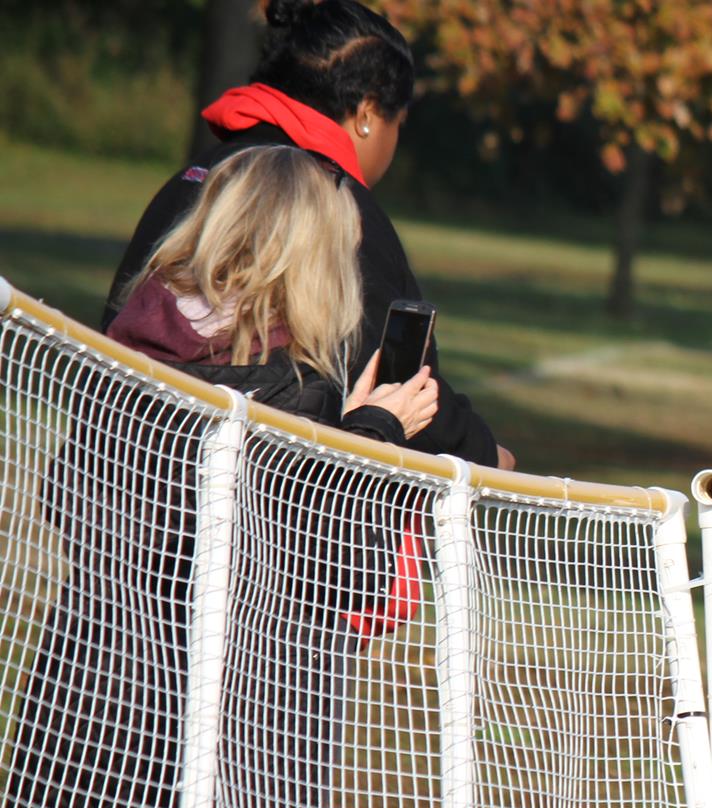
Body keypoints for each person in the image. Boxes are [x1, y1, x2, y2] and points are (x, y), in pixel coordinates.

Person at [7, 145, 437, 808]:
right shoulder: (297, 399)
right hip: (227, 738)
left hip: (104, 705)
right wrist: (373, 436)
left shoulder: (129, 344)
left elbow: (74, 498)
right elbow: (340, 569)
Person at [104, 0, 507, 471]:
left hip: (127, 488)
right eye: (397, 125)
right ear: (368, 113)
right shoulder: (339, 208)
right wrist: (483, 453)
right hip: (258, 515)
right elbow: (397, 388)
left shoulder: (194, 178)